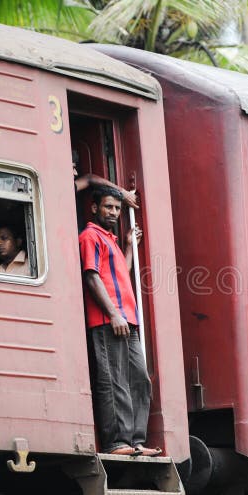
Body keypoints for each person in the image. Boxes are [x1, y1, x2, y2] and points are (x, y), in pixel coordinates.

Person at [79, 186, 160, 457]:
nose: (114, 212)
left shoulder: (110, 239)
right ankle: (117, 443)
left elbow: (118, 273)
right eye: (108, 207)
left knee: (139, 380)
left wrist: (128, 246)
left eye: (117, 208)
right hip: (108, 319)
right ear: (94, 208)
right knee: (115, 382)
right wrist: (113, 313)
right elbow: (91, 276)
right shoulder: (90, 236)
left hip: (128, 320)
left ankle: (135, 441)